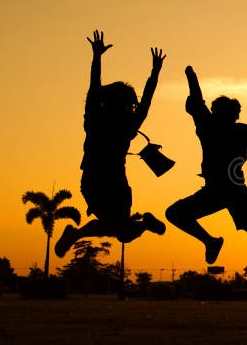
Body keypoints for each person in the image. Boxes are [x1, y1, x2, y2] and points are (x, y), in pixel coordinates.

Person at [55, 30, 167, 257]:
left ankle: (75, 234)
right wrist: (155, 72)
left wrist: (97, 57)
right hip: (109, 182)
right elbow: (145, 101)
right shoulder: (126, 123)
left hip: (98, 181)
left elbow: (94, 87)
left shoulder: (96, 117)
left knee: (122, 232)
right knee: (121, 231)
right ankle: (142, 224)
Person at [165, 66, 247, 264]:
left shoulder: (215, 126)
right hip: (217, 192)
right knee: (174, 213)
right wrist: (191, 77)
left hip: (233, 192)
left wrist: (191, 77)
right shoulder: (217, 126)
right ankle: (211, 242)